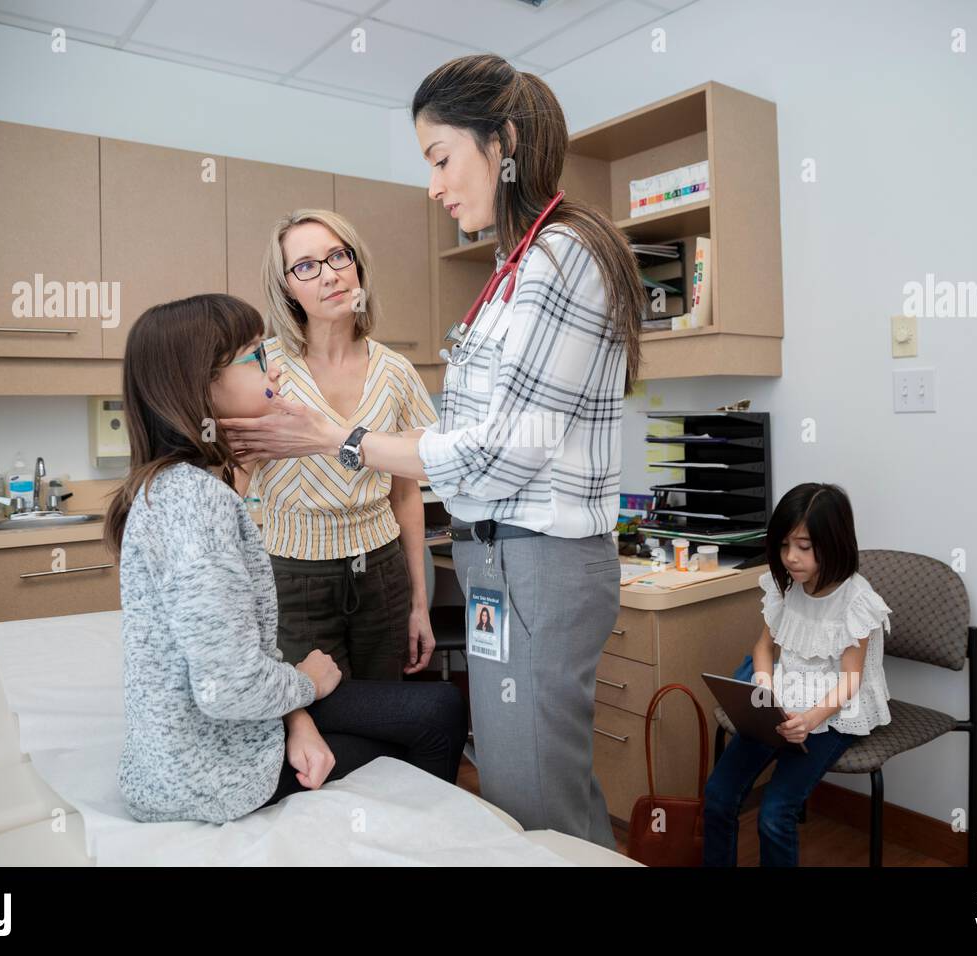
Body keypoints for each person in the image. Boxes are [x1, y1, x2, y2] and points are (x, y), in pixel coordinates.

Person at [220, 54, 647, 849]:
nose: (434, 186)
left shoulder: (559, 258)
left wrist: (339, 439)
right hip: (497, 563)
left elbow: (486, 458)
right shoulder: (515, 267)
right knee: (517, 784)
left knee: (537, 793)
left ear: (505, 140)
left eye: (440, 157)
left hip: (535, 561)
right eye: (303, 266)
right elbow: (459, 441)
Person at [105, 293, 466, 823]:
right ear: (202, 383)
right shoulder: (197, 505)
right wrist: (307, 685)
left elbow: (234, 649)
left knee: (431, 707)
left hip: (219, 735)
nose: (273, 365)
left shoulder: (182, 486)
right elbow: (227, 688)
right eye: (254, 356)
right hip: (212, 772)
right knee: (435, 717)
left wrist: (297, 713)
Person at [236, 209, 439, 681]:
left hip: (383, 573)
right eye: (306, 266)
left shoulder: (397, 372)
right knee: (321, 726)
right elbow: (231, 479)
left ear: (357, 266)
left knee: (387, 713)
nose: (329, 275)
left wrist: (419, 605)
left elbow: (407, 495)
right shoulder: (262, 368)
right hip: (293, 578)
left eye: (337, 257)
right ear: (287, 286)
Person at [702, 483, 893, 866]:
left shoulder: (856, 599)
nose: (791, 557)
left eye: (804, 547)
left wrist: (809, 719)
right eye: (784, 545)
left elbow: (851, 679)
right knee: (718, 796)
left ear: (834, 541)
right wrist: (764, 686)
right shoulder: (786, 586)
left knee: (774, 814)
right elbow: (763, 647)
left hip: (833, 710)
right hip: (782, 699)